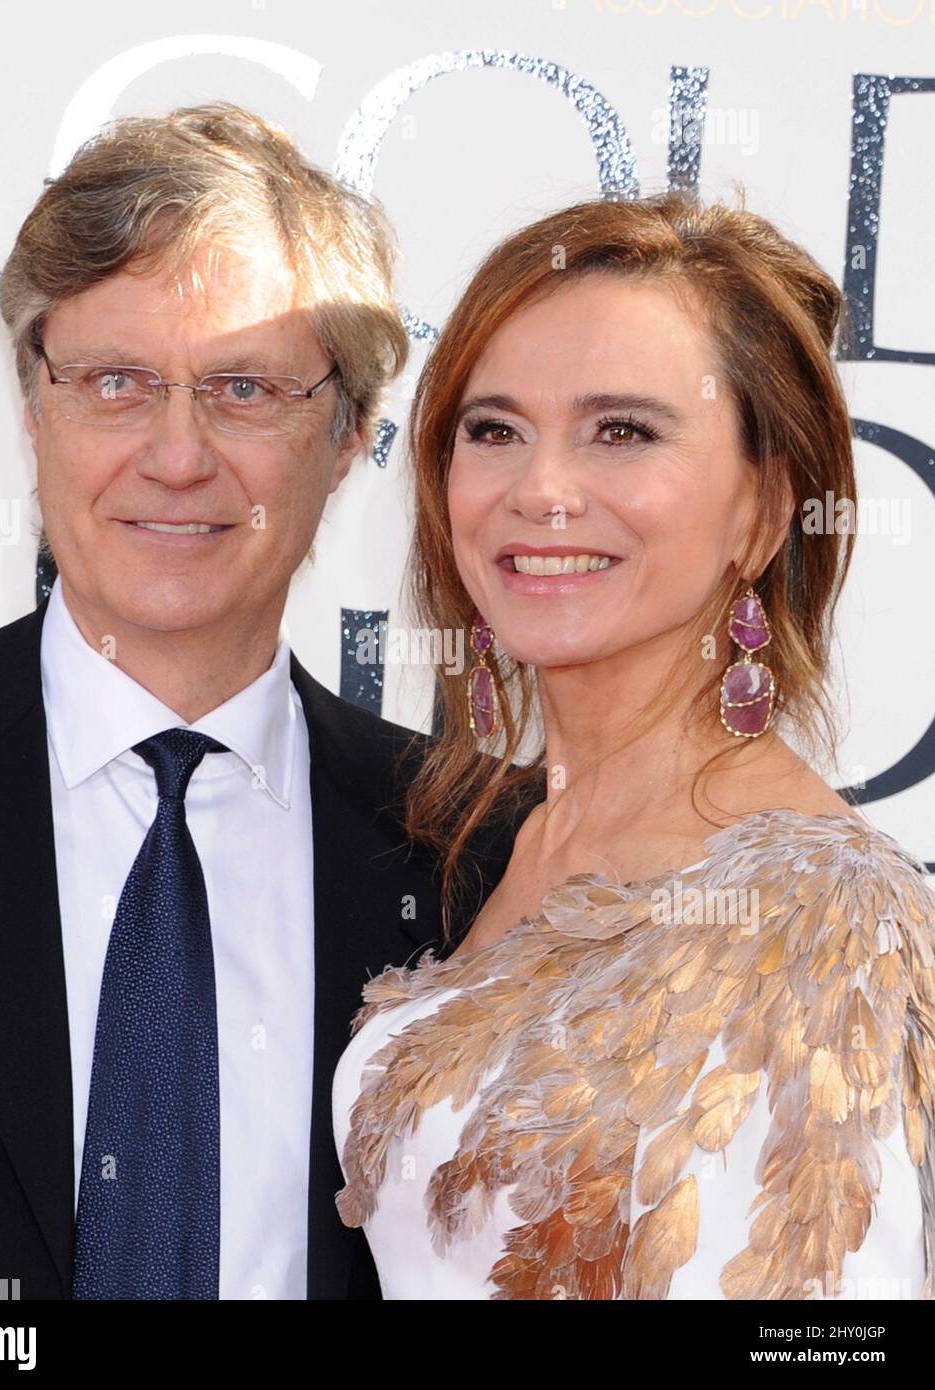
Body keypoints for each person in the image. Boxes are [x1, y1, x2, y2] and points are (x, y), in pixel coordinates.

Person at [0, 101, 527, 1301]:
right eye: (115, 381)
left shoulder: (485, 857)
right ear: (32, 408)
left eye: (243, 389)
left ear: (348, 439)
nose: (176, 457)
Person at [332, 189, 935, 1299]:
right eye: (494, 429)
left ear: (762, 510)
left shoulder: (822, 923)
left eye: (623, 432)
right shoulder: (506, 842)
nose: (541, 490)